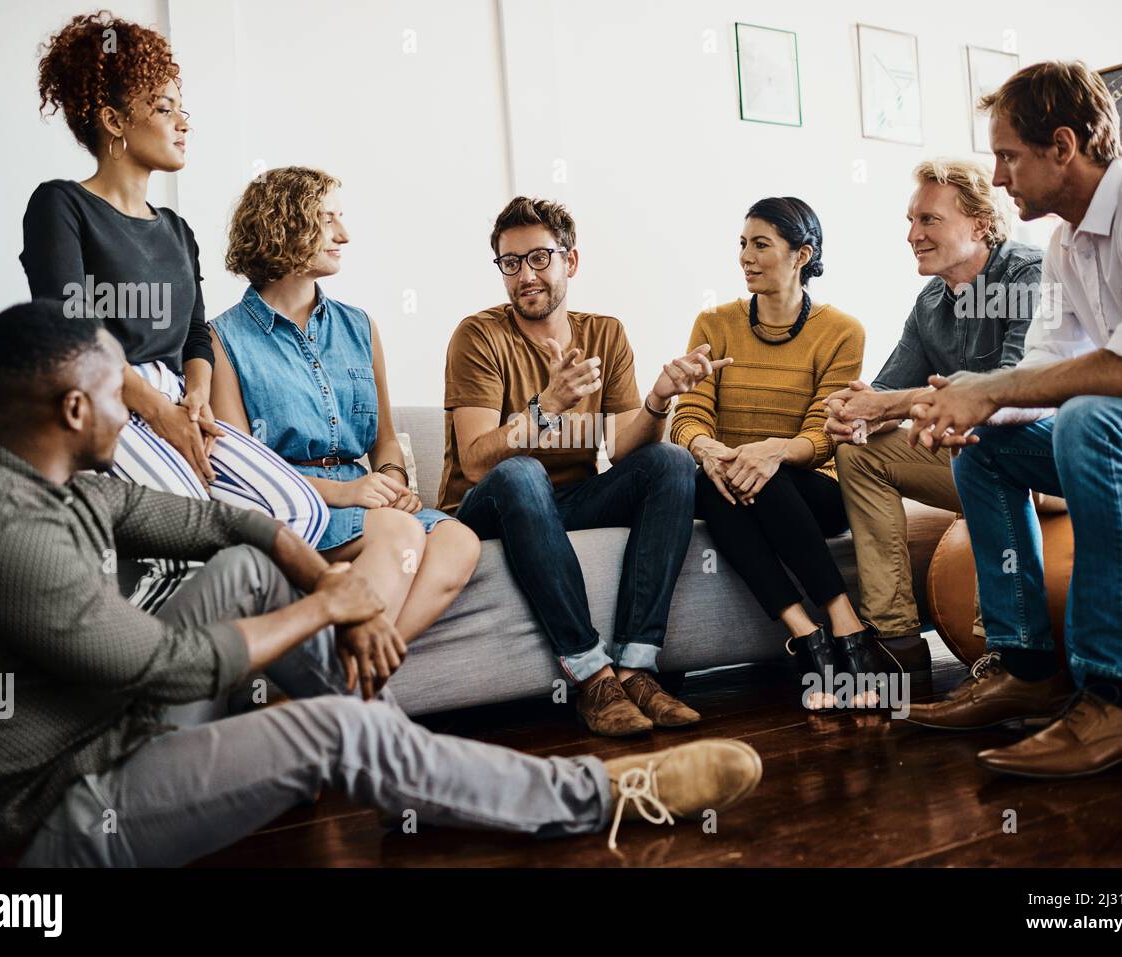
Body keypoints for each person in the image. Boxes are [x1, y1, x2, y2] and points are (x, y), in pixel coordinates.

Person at [0, 301, 762, 867]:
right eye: (119, 399)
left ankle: (400, 764)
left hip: (106, 737)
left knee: (248, 566)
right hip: (43, 826)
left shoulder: (57, 480)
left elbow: (224, 522)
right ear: (72, 412)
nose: (134, 414)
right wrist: (328, 603)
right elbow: (164, 667)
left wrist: (336, 593)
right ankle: (601, 792)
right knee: (330, 733)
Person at [904, 61, 1122, 778]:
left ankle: (1120, 696)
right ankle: (1028, 665)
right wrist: (967, 406)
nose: (1001, 176)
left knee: (1092, 421)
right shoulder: (1068, 243)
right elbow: (1041, 370)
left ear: (1064, 146)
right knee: (986, 443)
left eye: (1009, 155)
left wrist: (991, 387)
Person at [20, 12, 327, 612]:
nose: (184, 122)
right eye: (164, 108)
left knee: (299, 511)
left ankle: (229, 663)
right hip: (105, 399)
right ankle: (134, 670)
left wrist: (195, 399)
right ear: (114, 121)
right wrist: (159, 411)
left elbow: (195, 337)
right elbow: (71, 334)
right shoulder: (60, 205)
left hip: (176, 399)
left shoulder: (177, 231)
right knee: (187, 544)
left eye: (182, 108)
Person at [439, 196, 726, 736]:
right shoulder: (478, 336)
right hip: (487, 508)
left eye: (539, 258)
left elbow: (621, 449)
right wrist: (545, 407)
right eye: (511, 262)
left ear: (570, 262)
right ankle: (593, 678)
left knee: (668, 461)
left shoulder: (606, 335)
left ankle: (637, 668)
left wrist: (658, 401)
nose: (525, 274)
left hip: (565, 505)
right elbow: (477, 462)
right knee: (522, 473)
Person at [210, 167, 481, 646]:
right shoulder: (222, 338)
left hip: (368, 500)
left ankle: (349, 683)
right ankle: (348, 694)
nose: (344, 235)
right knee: (399, 534)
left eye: (342, 218)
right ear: (284, 226)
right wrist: (343, 493)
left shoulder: (359, 327)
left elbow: (384, 439)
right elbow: (237, 468)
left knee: (459, 541)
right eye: (327, 219)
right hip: (290, 506)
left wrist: (394, 482)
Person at [825, 160, 1042, 673]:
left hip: (1040, 458)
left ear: (980, 224)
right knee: (857, 452)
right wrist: (854, 413)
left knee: (987, 438)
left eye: (928, 220)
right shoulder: (930, 303)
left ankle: (1007, 652)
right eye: (910, 221)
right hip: (971, 459)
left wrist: (889, 405)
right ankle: (897, 642)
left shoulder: (1025, 274)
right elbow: (886, 390)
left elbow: (1014, 389)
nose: (912, 235)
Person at [673, 197, 884, 710]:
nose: (745, 256)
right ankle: (813, 634)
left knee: (761, 477)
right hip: (732, 481)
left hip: (813, 486)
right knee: (713, 481)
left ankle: (839, 624)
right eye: (742, 244)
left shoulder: (841, 330)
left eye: (761, 244)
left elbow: (824, 434)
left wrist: (772, 452)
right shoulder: (714, 323)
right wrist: (709, 449)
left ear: (801, 254)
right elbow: (689, 416)